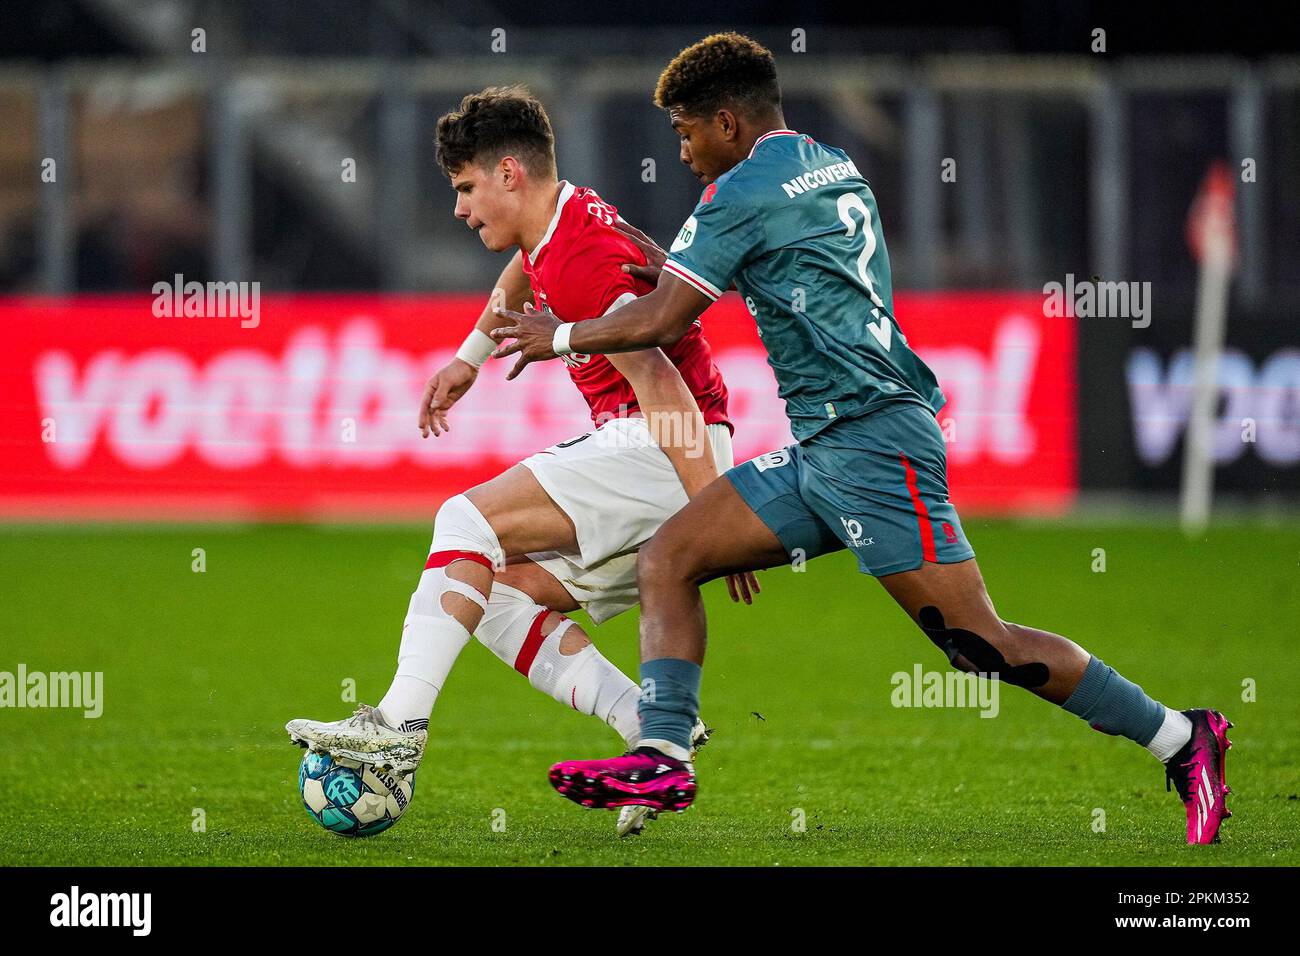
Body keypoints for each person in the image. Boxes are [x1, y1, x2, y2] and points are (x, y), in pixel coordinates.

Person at [488, 35, 1232, 844]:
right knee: (671, 555)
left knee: (980, 644)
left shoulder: (737, 193)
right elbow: (760, 271)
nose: (684, 149)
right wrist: (673, 268)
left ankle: (1183, 738)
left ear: (727, 122)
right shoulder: (827, 161)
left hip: (875, 441)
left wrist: (559, 336)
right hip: (824, 446)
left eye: (687, 131)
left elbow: (666, 318)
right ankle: (663, 751)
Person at [287, 85, 752, 837]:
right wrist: (471, 356)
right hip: (670, 456)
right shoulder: (562, 221)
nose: (461, 209)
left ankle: (399, 729)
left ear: (510, 173)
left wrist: (722, 515)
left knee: (463, 519)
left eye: (467, 187)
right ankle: (648, 725)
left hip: (663, 448)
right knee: (492, 592)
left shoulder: (582, 257)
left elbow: (664, 389)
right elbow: (521, 274)